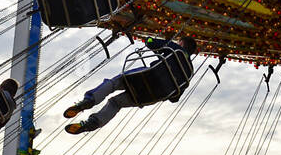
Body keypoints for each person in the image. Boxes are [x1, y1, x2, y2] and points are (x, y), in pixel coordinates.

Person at [64, 36, 196, 134]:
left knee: (113, 83)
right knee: (116, 103)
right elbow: (174, 99)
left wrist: (149, 40)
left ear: (182, 43)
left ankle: (89, 100)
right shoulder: (189, 71)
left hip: (145, 77)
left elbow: (151, 43)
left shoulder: (176, 48)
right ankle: (93, 123)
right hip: (150, 96)